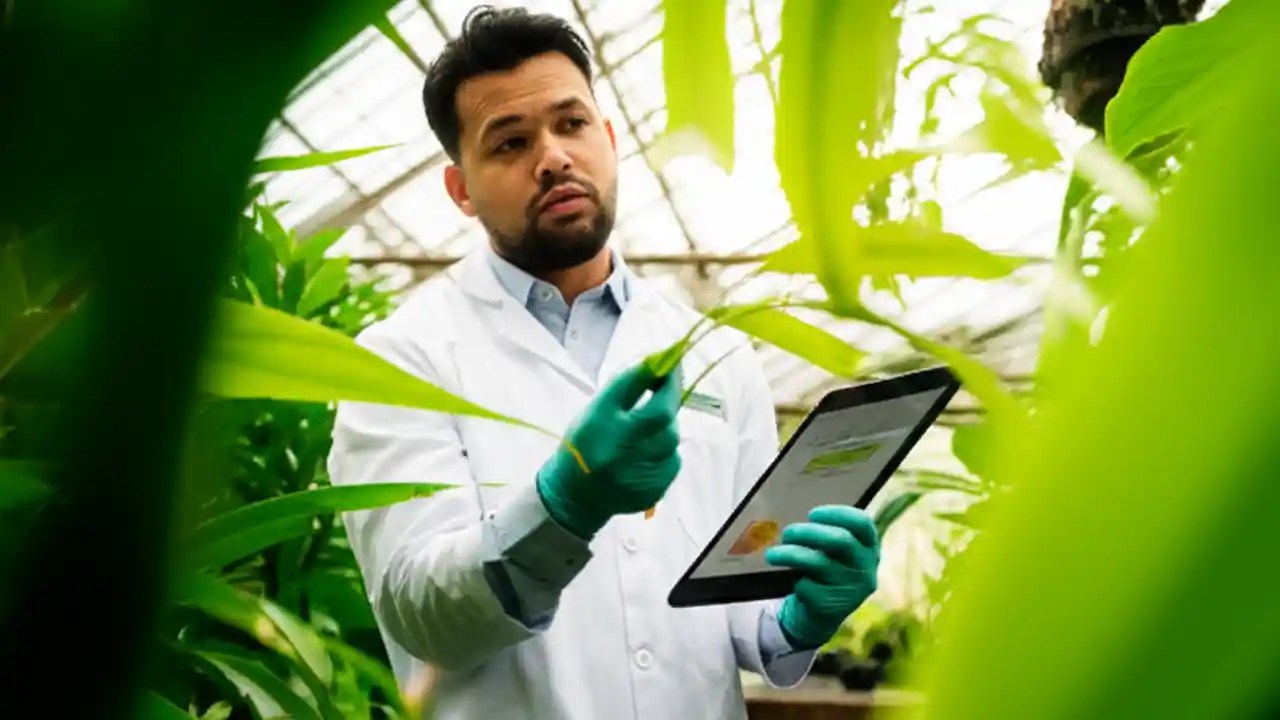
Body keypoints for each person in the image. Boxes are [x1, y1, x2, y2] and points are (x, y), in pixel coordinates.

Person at [327, 6, 881, 719]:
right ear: (460, 189)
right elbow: (421, 616)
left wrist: (802, 614)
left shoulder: (716, 354)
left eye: (572, 123)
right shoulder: (399, 361)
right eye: (510, 142)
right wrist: (563, 507)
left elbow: (740, 609)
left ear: (610, 140)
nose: (553, 155)